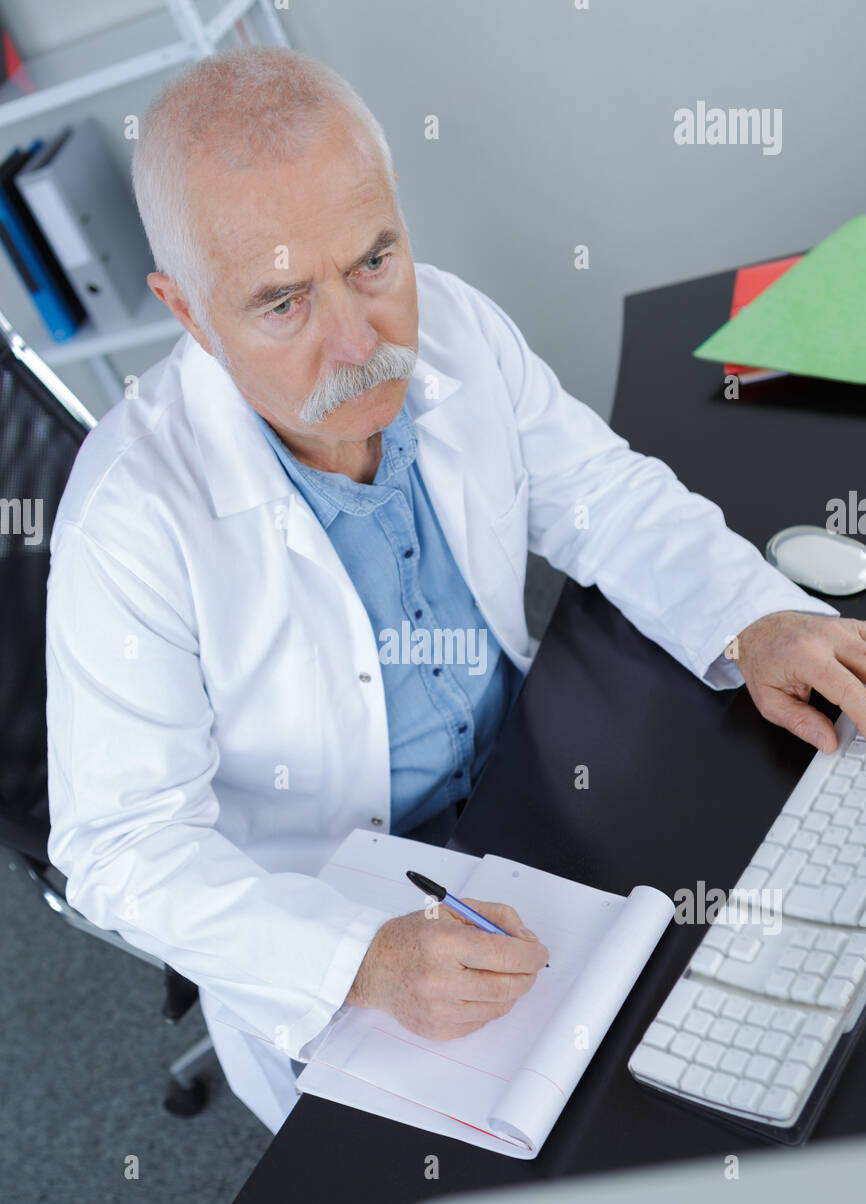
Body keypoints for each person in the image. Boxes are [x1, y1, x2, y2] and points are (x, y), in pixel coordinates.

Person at [45, 48, 863, 1134]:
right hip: (338, 916)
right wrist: (356, 959)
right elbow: (118, 848)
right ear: (188, 314)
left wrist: (752, 616)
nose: (360, 344)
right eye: (282, 302)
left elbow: (597, 495)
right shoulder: (130, 520)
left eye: (374, 260)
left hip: (537, 798)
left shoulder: (461, 331)